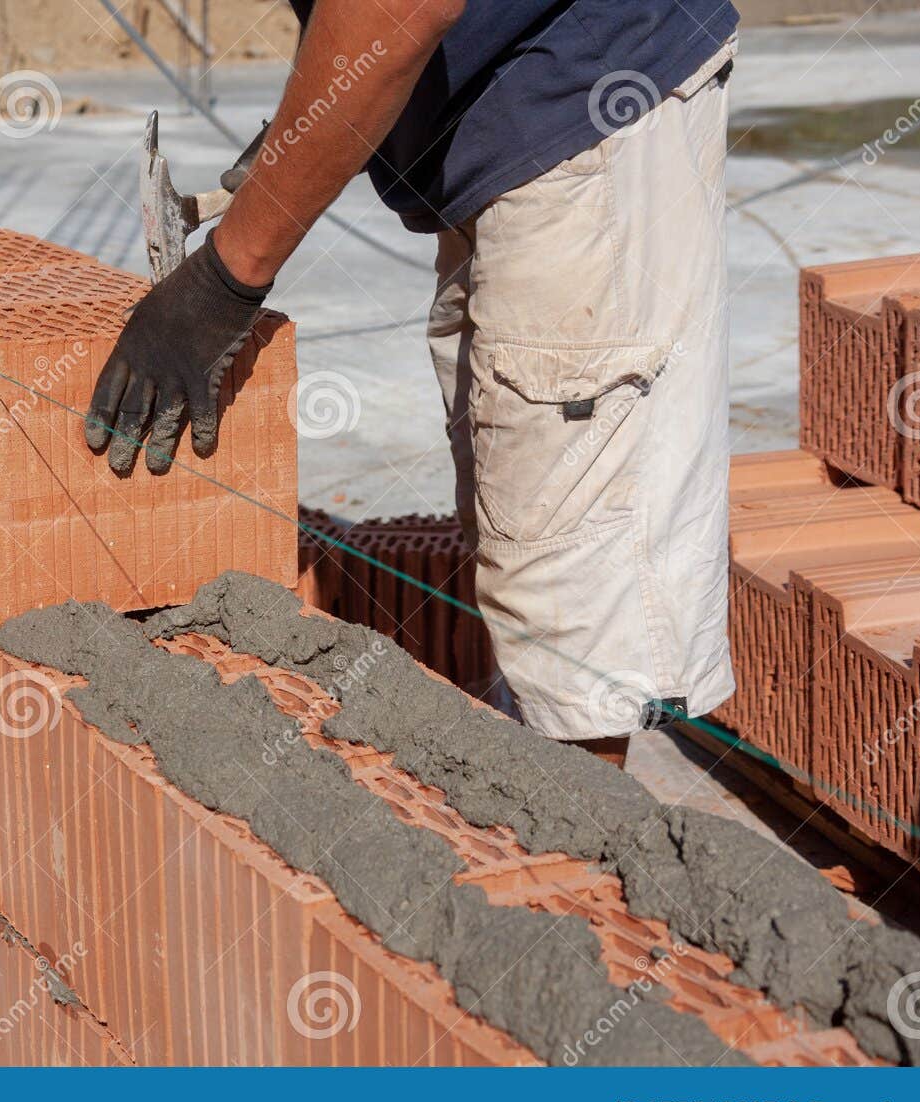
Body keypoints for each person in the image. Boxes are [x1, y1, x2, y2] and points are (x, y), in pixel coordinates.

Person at [83, 0, 740, 767]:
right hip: (502, 130)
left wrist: (227, 279)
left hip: (584, 105)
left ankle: (572, 868)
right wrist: (319, 121)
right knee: (514, 516)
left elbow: (399, 7)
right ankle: (541, 779)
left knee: (572, 580)